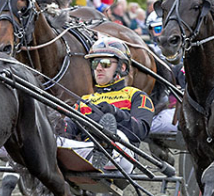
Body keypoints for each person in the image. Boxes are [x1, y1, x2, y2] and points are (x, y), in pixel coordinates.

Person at [59, 38, 154, 173]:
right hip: (87, 153)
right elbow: (69, 129)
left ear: (122, 67)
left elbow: (141, 131)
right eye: (95, 63)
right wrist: (60, 127)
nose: (98, 68)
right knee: (55, 140)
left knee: (115, 134)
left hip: (123, 157)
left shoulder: (137, 96)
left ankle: (105, 145)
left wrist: (116, 113)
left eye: (105, 63)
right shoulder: (85, 100)